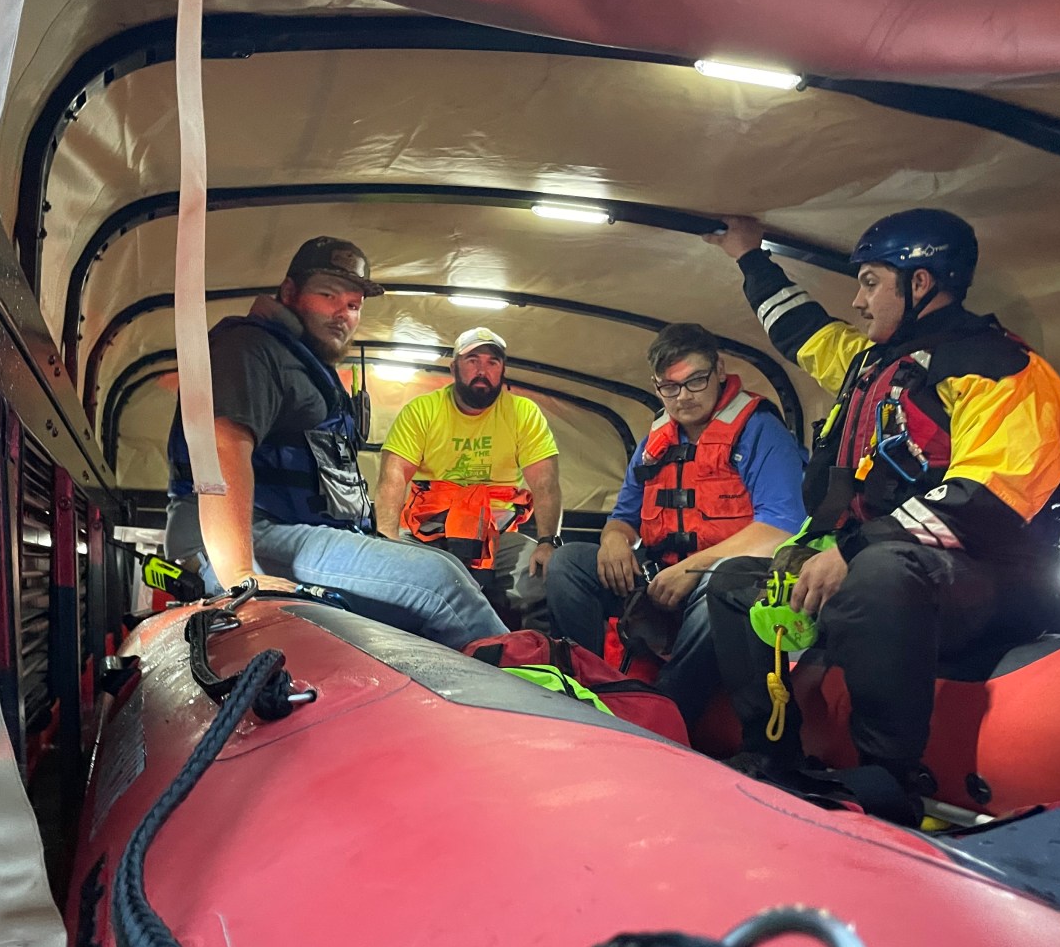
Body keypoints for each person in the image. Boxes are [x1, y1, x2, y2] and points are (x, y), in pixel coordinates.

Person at [704, 209, 1060, 821]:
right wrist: (748, 256)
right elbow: (800, 329)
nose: (856, 300)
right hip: (885, 563)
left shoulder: (1000, 368)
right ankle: (771, 752)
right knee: (737, 584)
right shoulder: (873, 362)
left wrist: (850, 552)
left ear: (921, 283)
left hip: (985, 582)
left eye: (871, 281)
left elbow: (990, 501)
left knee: (880, 571)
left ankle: (886, 779)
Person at [163, 236, 505, 648]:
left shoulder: (302, 363)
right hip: (237, 532)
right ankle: (538, 690)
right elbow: (223, 447)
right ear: (290, 293)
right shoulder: (248, 348)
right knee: (440, 585)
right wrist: (239, 573)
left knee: (446, 565)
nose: (343, 313)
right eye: (328, 295)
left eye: (354, 304)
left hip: (290, 528)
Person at [546, 323, 807, 727]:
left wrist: (693, 568)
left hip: (725, 580)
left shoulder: (760, 431)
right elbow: (624, 518)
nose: (683, 397)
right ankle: (588, 681)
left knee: (721, 583)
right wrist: (613, 541)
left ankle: (666, 708)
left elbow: (781, 528)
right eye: (670, 387)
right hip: (659, 574)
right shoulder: (656, 439)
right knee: (568, 564)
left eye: (695, 381)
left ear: (719, 370)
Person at [375, 327, 562, 624]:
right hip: (429, 534)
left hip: (498, 538)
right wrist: (386, 540)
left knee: (543, 578)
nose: (482, 370)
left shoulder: (523, 413)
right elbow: (393, 476)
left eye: (492, 362)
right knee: (390, 586)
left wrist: (548, 542)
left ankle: (536, 660)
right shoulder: (423, 410)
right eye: (473, 360)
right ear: (454, 368)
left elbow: (545, 483)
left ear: (503, 370)